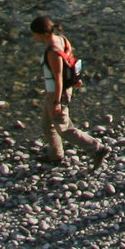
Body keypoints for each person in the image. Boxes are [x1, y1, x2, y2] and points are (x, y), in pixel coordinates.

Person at [30, 16, 107, 166]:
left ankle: (97, 149)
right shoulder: (62, 39)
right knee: (47, 125)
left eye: (34, 33)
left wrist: (56, 102)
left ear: (42, 34)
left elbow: (58, 78)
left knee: (64, 128)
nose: (33, 36)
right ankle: (55, 154)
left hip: (57, 93)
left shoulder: (52, 52)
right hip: (58, 91)